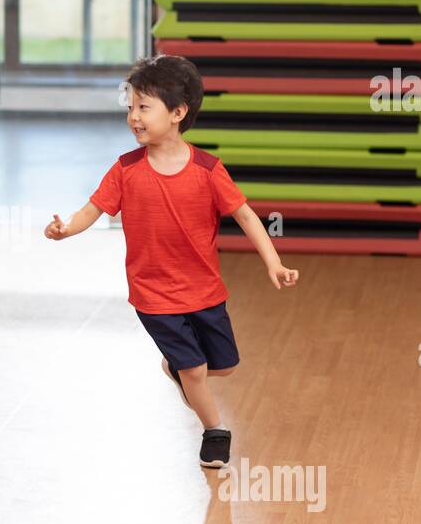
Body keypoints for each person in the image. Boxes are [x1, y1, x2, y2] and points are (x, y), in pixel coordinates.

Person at [45, 55, 300, 468]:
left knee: (225, 366)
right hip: (153, 294)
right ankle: (214, 431)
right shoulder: (126, 170)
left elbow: (246, 215)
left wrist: (272, 261)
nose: (133, 117)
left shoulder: (207, 170)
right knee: (196, 371)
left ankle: (178, 368)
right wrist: (67, 228)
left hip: (204, 290)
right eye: (130, 107)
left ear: (178, 112)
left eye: (144, 107)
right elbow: (94, 209)